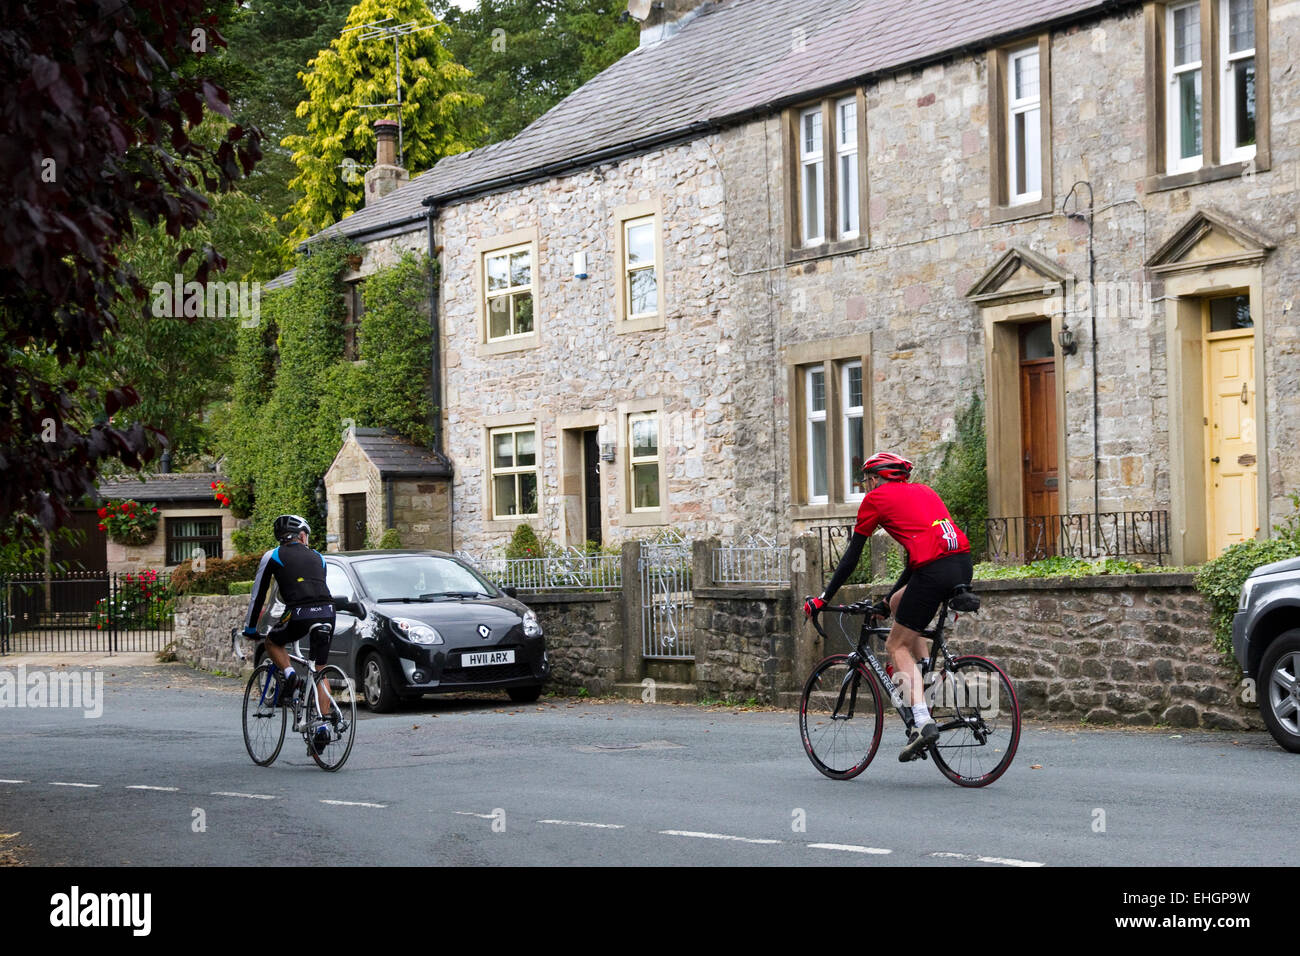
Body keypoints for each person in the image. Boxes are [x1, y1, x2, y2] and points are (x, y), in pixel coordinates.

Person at [803, 452, 972, 762]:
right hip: (961, 565)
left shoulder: (877, 499)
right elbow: (915, 561)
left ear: (874, 479)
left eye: (867, 480)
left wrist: (823, 598)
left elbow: (851, 557)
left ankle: (922, 721)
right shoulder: (925, 491)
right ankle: (924, 685)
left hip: (933, 571)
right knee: (898, 604)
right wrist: (886, 601)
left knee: (895, 645)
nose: (867, 486)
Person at [241, 514, 338, 754]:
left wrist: (251, 628)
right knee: (319, 668)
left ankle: (290, 673)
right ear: (302, 536)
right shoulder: (318, 557)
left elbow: (258, 595)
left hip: (298, 613)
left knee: (273, 641)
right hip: (328, 612)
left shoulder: (273, 555)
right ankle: (323, 727)